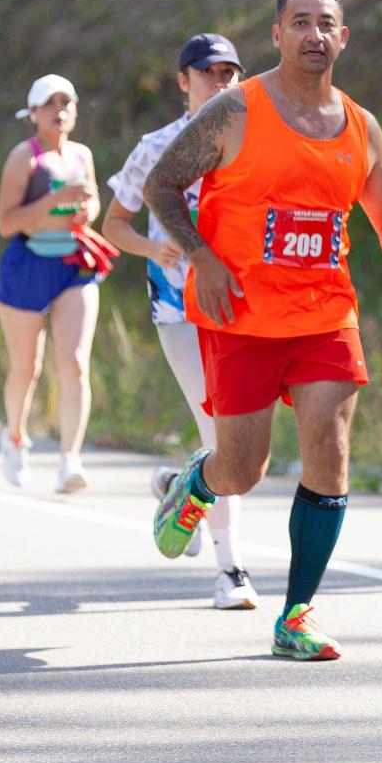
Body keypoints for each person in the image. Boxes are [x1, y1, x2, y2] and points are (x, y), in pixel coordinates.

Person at [145, 0, 382, 662]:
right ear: (275, 34)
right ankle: (199, 484)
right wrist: (201, 258)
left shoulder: (360, 125)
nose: (313, 35)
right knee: (243, 469)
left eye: (325, 24)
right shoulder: (234, 109)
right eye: (298, 23)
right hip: (237, 312)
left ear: (343, 37)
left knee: (329, 449)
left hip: (325, 313)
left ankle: (296, 614)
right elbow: (161, 185)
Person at [103, 32, 258, 612]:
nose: (222, 81)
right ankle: (232, 571)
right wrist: (153, 247)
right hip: (178, 310)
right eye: (209, 72)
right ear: (183, 81)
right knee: (222, 433)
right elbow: (114, 223)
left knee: (238, 437)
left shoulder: (253, 141)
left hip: (242, 308)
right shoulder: (157, 146)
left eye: (231, 72)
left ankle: (180, 489)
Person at [0, 74, 103, 493]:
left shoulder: (82, 155)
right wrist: (55, 201)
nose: (60, 111)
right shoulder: (25, 158)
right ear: (34, 113)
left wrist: (87, 208)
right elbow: (5, 223)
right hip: (28, 262)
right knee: (27, 367)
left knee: (74, 363)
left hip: (74, 264)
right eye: (51, 103)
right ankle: (16, 437)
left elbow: (90, 198)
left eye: (67, 102)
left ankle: (70, 459)